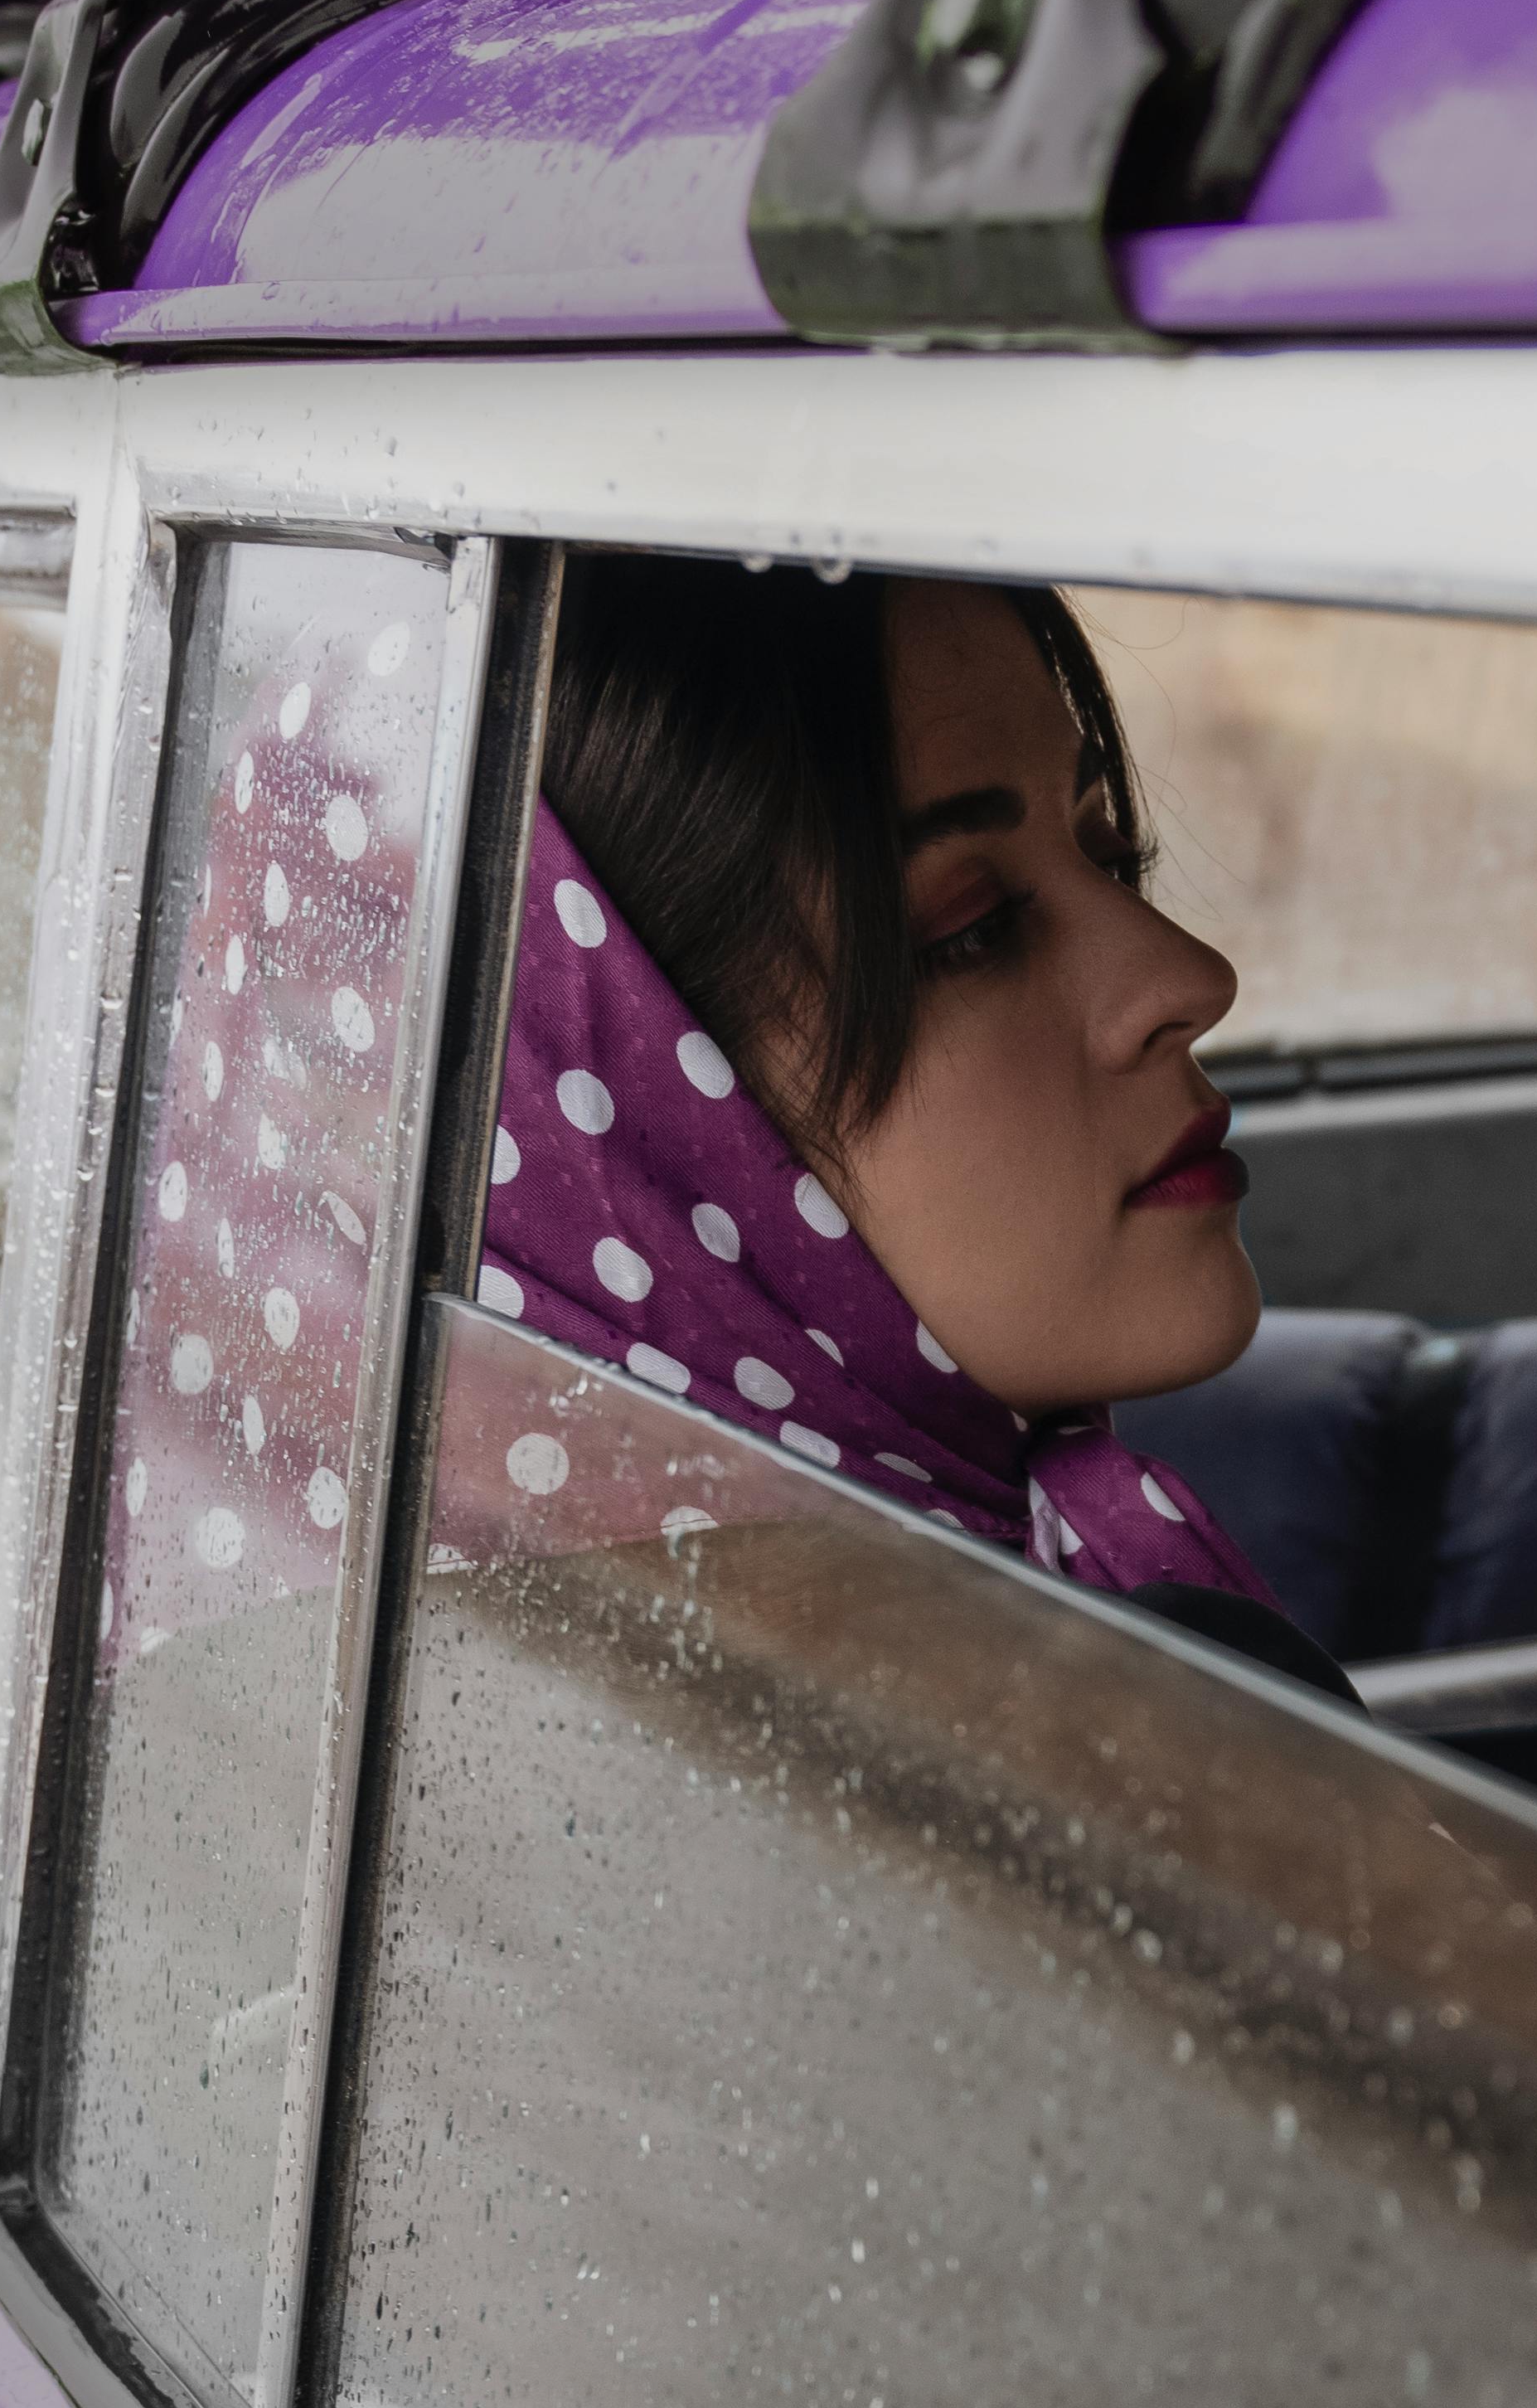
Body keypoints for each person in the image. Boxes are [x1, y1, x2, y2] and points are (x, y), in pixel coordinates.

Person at [479, 551, 1351, 1695]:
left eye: (1110, 856)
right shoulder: (1096, 1752)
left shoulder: (430, 1654)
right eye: (972, 930)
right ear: (647, 1133)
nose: (1189, 978)